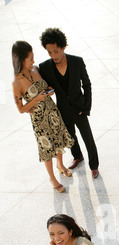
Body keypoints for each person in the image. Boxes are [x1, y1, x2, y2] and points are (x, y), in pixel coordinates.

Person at [12, 41, 74, 193]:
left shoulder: (35, 69)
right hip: (39, 119)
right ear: (20, 60)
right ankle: (52, 178)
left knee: (59, 139)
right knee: (46, 148)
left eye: (33, 57)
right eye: (30, 59)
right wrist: (36, 99)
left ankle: (60, 164)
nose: (33, 61)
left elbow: (46, 86)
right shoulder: (16, 83)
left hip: (52, 111)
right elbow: (21, 109)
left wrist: (49, 89)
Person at [39, 28, 99, 179]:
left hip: (79, 107)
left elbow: (87, 85)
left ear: (63, 47)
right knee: (70, 137)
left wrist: (86, 107)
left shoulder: (77, 62)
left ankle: (94, 166)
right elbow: (42, 84)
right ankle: (77, 157)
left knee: (88, 138)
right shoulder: (45, 67)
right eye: (49, 52)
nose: (53, 55)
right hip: (62, 109)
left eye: (56, 51)